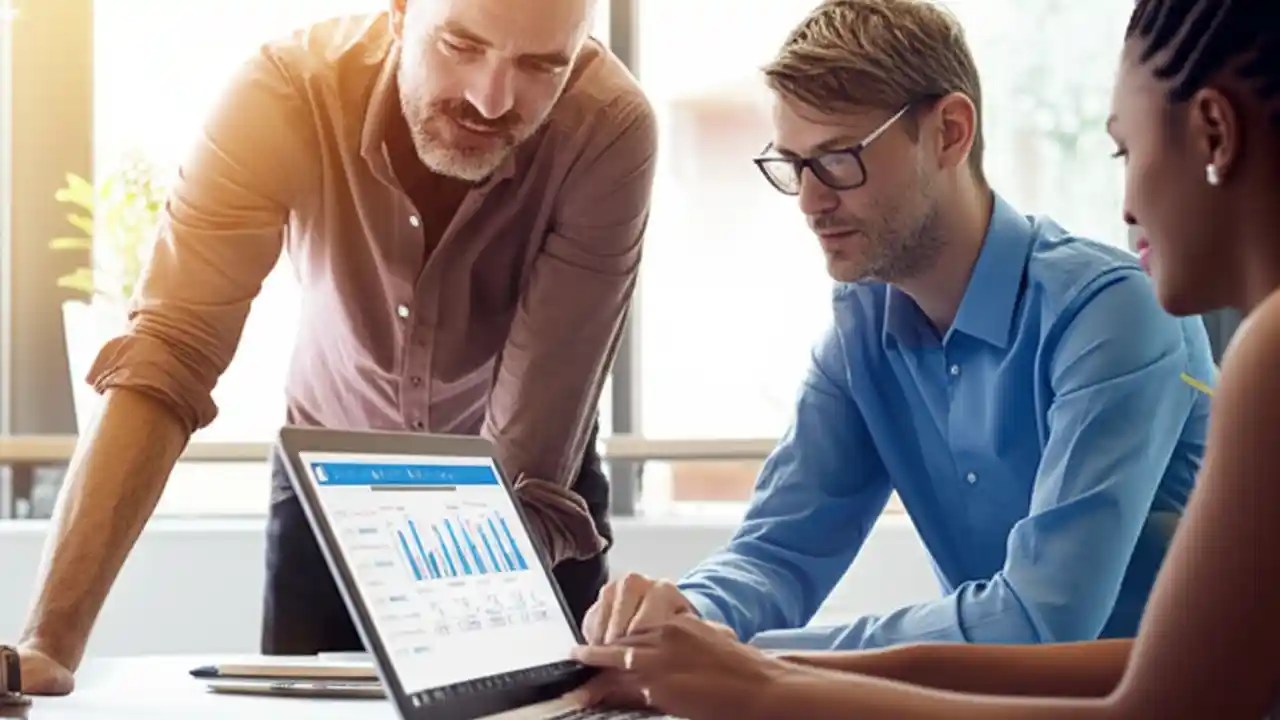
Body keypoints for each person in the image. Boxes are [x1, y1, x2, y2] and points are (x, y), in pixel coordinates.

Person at [570, 0, 1280, 717]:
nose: (811, 203)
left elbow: (1040, 621)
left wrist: (754, 670)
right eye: (795, 167)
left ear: (949, 132)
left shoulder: (1110, 313)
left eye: (839, 160)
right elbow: (778, 553)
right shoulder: (860, 333)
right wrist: (681, 617)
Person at [14, 0, 656, 694]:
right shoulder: (284, 93)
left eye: (541, 65)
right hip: (329, 473)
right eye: (460, 45)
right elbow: (170, 351)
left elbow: (533, 432)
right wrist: (48, 643)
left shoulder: (609, 126)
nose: (490, 99)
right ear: (400, 11)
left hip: (523, 488)